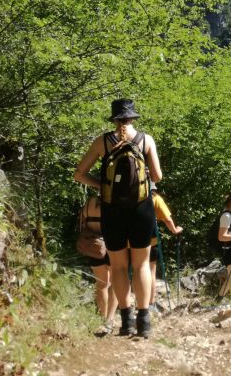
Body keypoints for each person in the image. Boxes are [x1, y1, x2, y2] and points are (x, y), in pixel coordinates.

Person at [73, 99, 162, 339]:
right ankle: (144, 322)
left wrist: (102, 186)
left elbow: (79, 174)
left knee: (119, 266)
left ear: (114, 119)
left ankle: (126, 322)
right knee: (142, 264)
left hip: (111, 211)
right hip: (142, 209)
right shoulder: (146, 139)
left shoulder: (103, 142)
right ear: (133, 118)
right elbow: (157, 176)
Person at [79, 194, 117, 334]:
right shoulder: (114, 202)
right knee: (115, 283)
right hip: (112, 244)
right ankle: (110, 319)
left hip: (94, 245)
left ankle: (102, 317)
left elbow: (82, 224)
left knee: (101, 284)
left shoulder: (88, 203)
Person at [149, 183, 183, 313]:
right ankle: (150, 303)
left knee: (137, 270)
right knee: (150, 271)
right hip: (149, 240)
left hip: (130, 240)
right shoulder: (155, 198)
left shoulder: (131, 196)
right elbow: (167, 219)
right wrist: (175, 230)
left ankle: (139, 302)